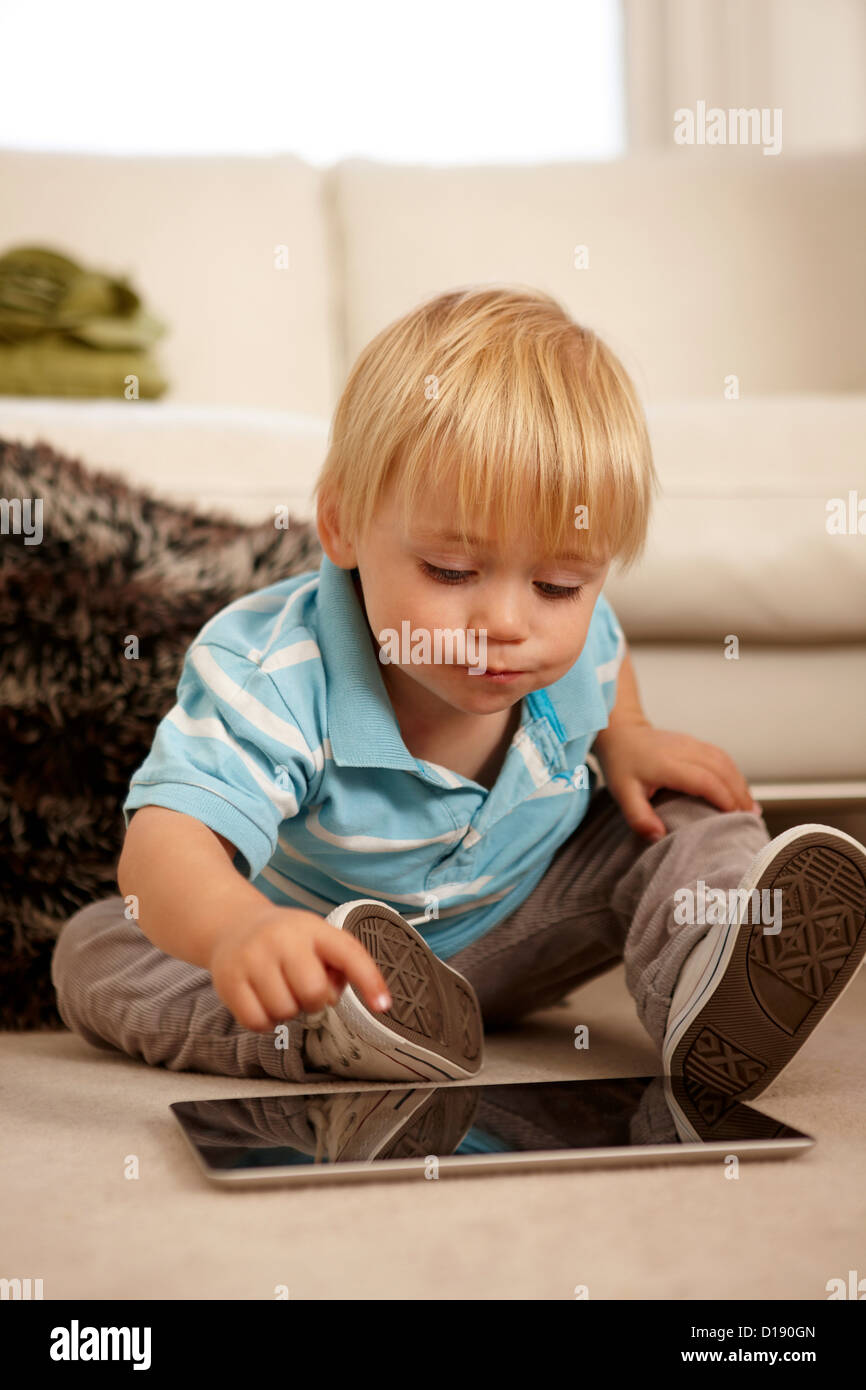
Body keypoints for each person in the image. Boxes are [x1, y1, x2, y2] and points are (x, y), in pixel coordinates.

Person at [51, 286, 866, 1132]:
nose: (509, 625)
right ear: (342, 525)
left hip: (529, 916)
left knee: (679, 807)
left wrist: (628, 737)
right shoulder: (274, 672)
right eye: (451, 571)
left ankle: (713, 962)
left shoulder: (569, 637)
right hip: (329, 958)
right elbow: (164, 845)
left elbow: (606, 654)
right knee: (97, 951)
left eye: (558, 585)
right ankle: (335, 1033)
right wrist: (237, 933)